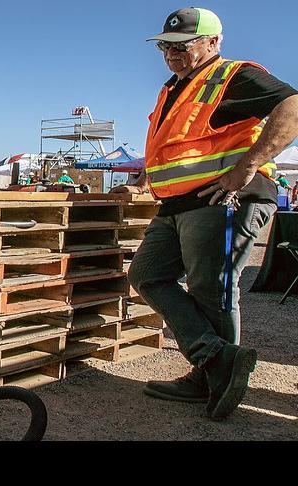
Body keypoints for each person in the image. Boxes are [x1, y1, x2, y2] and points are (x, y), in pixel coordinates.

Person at [113, 8, 298, 421]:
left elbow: (293, 106)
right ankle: (216, 361)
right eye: (165, 46)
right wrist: (142, 183)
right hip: (178, 204)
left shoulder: (232, 75)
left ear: (213, 42)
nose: (171, 54)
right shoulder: (173, 88)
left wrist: (249, 164)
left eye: (182, 46)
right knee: (147, 274)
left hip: (223, 198)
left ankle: (213, 379)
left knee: (212, 289)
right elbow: (174, 148)